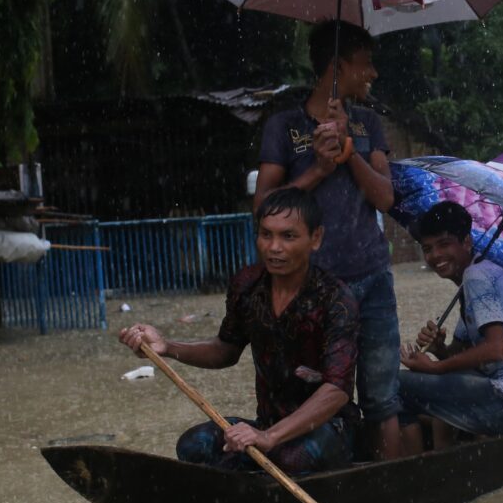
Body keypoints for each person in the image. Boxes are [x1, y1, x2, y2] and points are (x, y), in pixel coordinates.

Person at [116, 188, 357, 475]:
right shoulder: (247, 285)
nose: (274, 247)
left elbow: (337, 390)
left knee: (289, 459)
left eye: (288, 236)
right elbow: (225, 350)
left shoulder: (336, 298)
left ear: (315, 238)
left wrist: (270, 437)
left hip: (328, 429)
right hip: (267, 426)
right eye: (266, 235)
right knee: (194, 445)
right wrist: (167, 347)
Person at [253, 20, 402, 459]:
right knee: (312, 396)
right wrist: (317, 168)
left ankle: (389, 490)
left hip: (372, 276)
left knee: (382, 397)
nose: (372, 74)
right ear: (337, 67)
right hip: (311, 288)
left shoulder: (369, 123)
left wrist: (350, 154)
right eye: (366, 64)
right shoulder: (284, 126)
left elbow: (386, 197)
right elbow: (263, 208)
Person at [397, 202, 503, 449]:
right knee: (438, 375)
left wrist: (436, 369)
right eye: (428, 249)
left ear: (467, 242)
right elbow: (460, 357)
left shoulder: (477, 277)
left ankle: (416, 467)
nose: (435, 256)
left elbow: (495, 350)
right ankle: (443, 455)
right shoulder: (476, 280)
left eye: (444, 244)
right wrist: (439, 350)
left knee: (393, 384)